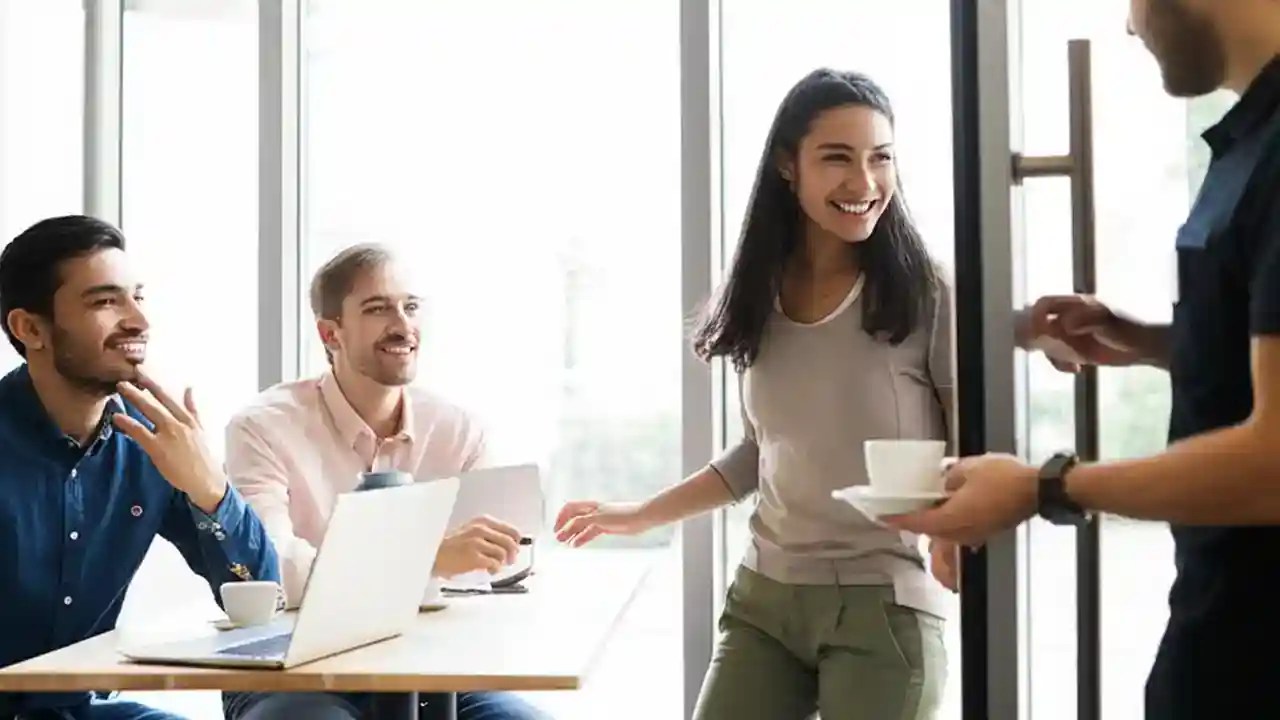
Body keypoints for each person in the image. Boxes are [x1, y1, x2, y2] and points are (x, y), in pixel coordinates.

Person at [886, 1, 1280, 718]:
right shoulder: (1251, 140)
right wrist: (1152, 342)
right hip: (1224, 626)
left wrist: (1046, 487)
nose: (1131, 25)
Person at [554, 69, 955, 720]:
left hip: (884, 606)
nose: (864, 183)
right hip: (764, 602)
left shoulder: (926, 292)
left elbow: (972, 434)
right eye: (837, 158)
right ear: (787, 166)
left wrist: (953, 534)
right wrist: (639, 514)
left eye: (880, 158)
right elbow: (759, 454)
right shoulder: (759, 293)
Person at [220, 243, 548, 720]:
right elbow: (273, 568)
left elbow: (488, 576)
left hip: (435, 670)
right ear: (330, 333)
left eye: (410, 307)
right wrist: (425, 559)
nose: (402, 325)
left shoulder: (459, 431)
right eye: (378, 309)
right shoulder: (263, 428)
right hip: (292, 670)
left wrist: (494, 560)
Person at [0, 215, 280, 719]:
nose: (138, 321)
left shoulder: (156, 443)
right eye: (105, 301)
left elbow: (260, 601)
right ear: (30, 329)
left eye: (138, 297)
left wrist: (209, 489)